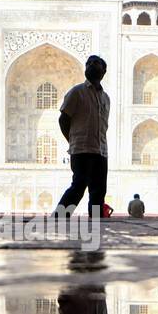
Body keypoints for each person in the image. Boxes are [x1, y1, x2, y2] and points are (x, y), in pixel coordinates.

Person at [56, 55, 110, 220]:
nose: (92, 65)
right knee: (78, 186)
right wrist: (73, 141)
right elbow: (63, 119)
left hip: (100, 150)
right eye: (89, 63)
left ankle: (95, 222)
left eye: (96, 63)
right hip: (82, 149)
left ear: (104, 71)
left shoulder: (105, 98)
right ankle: (59, 217)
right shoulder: (77, 92)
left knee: (99, 190)